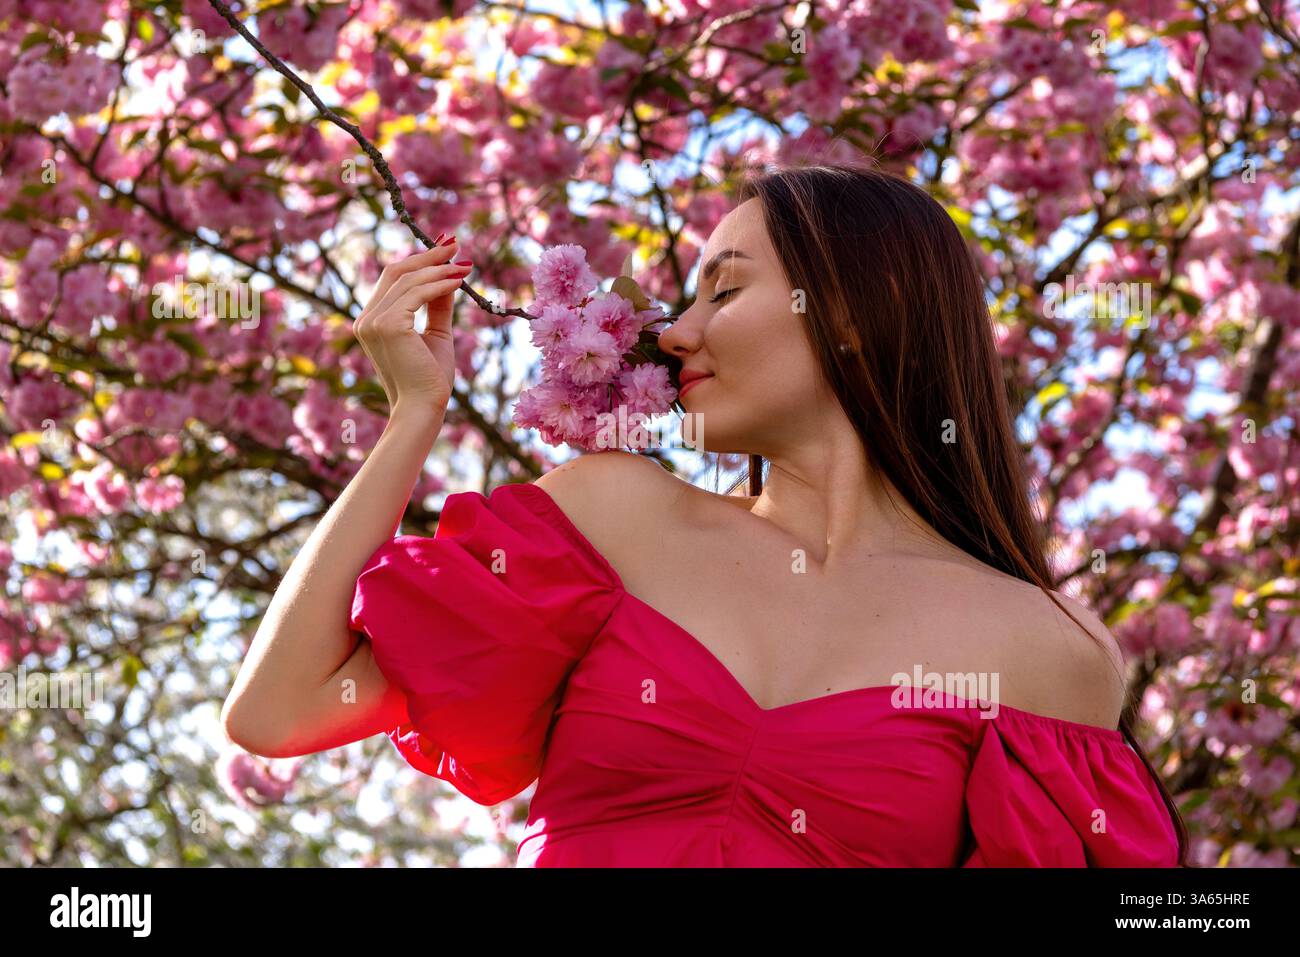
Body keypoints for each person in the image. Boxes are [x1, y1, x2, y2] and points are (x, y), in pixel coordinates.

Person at [221, 162, 1187, 867]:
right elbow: (280, 707)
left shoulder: (1041, 654)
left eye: (723, 288)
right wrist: (412, 418)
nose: (676, 334)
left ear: (854, 307)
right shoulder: (616, 516)